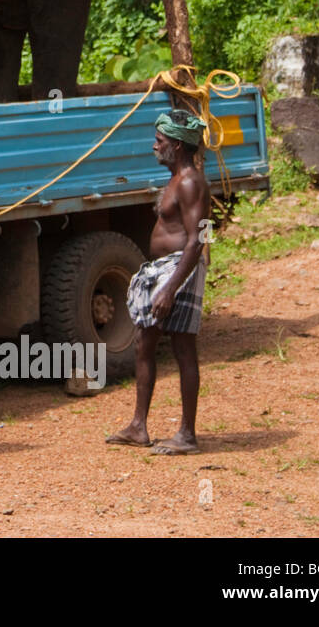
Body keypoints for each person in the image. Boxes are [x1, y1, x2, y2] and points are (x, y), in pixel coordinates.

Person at [105, 109, 211, 455]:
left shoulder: (191, 182)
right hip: (166, 269)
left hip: (179, 270)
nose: (154, 146)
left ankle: (188, 435)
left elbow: (198, 239)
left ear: (177, 146)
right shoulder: (177, 179)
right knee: (143, 344)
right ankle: (139, 426)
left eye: (160, 141)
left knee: (183, 348)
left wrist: (170, 287)